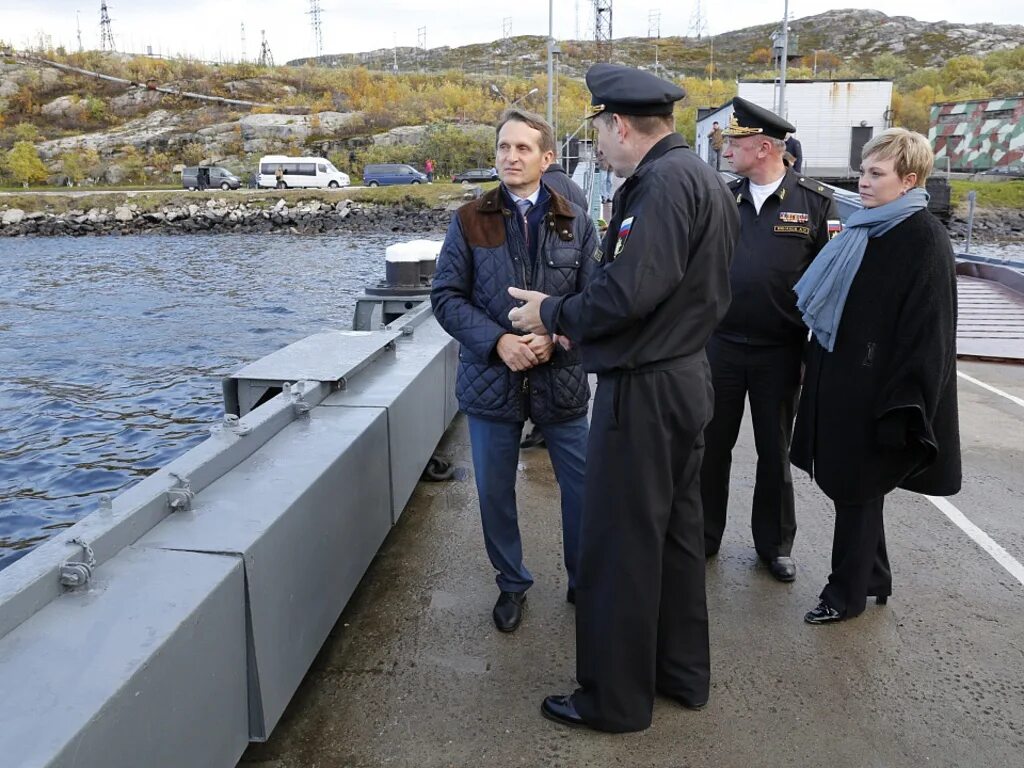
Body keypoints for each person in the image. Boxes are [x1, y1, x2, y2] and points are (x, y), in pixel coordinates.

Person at [508, 63, 739, 733]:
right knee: (673, 539)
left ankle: (612, 700)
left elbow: (626, 293)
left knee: (619, 547)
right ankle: (680, 674)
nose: (599, 147)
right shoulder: (699, 177)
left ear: (620, 124)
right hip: (685, 378)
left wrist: (553, 312)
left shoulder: (660, 185)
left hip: (646, 391)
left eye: (600, 131)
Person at [431, 108, 600, 634]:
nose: (510, 156)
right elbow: (446, 298)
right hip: (492, 382)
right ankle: (511, 582)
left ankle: (584, 579)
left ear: (547, 158)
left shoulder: (577, 219)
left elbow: (596, 298)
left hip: (561, 379)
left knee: (583, 489)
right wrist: (499, 341)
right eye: (504, 147)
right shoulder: (469, 219)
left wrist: (557, 334)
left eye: (523, 148)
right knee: (494, 493)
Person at [790, 127, 961, 625]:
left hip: (878, 392)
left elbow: (929, 332)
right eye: (863, 171)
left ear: (908, 181)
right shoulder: (870, 227)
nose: (862, 182)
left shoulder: (922, 238)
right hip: (844, 382)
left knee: (856, 490)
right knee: (858, 487)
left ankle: (843, 596)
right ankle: (874, 576)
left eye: (876, 174)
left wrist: (906, 404)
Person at [701, 97, 839, 583]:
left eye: (735, 143)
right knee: (710, 446)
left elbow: (831, 287)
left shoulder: (815, 203)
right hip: (719, 346)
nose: (727, 150)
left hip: (781, 352)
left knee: (774, 451)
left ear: (763, 148)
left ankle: (775, 544)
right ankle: (703, 535)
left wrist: (814, 356)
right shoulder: (722, 197)